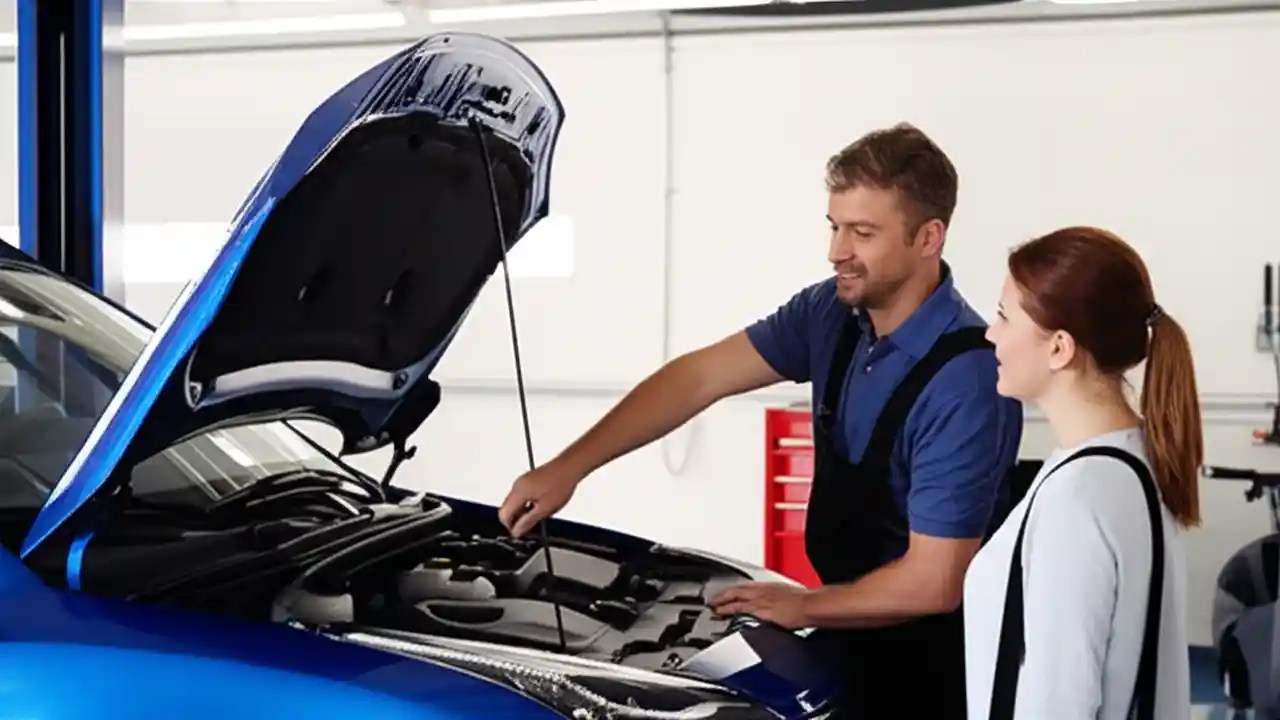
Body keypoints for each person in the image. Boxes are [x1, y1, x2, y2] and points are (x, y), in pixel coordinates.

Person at [497, 122, 1023, 718]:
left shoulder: (967, 380)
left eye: (863, 232)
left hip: (932, 669)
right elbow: (697, 377)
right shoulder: (830, 311)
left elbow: (935, 583)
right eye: (834, 226)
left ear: (929, 238)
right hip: (848, 640)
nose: (836, 251)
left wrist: (803, 607)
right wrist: (568, 468)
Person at [963, 226, 1199, 720]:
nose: (990, 332)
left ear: (1059, 348)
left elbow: (1058, 702)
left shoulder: (1078, 497)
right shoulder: (1138, 462)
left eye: (1005, 317)